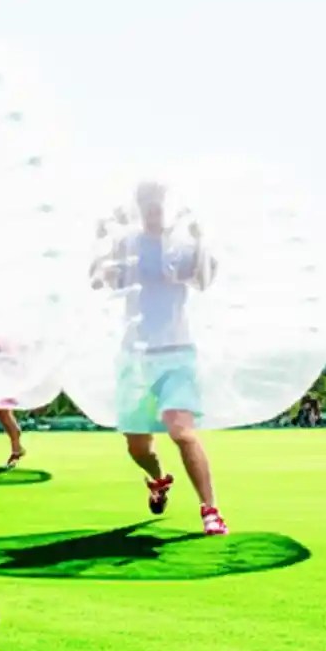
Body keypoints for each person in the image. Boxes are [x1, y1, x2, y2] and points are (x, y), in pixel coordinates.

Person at [89, 181, 228, 535]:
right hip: (135, 356)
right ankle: (158, 479)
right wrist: (102, 243)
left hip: (177, 352)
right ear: (139, 205)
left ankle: (210, 509)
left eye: (158, 202)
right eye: (147, 202)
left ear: (167, 203)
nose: (154, 208)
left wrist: (201, 242)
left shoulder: (181, 246)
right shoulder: (127, 245)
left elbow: (206, 279)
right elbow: (99, 280)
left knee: (182, 432)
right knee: (137, 445)